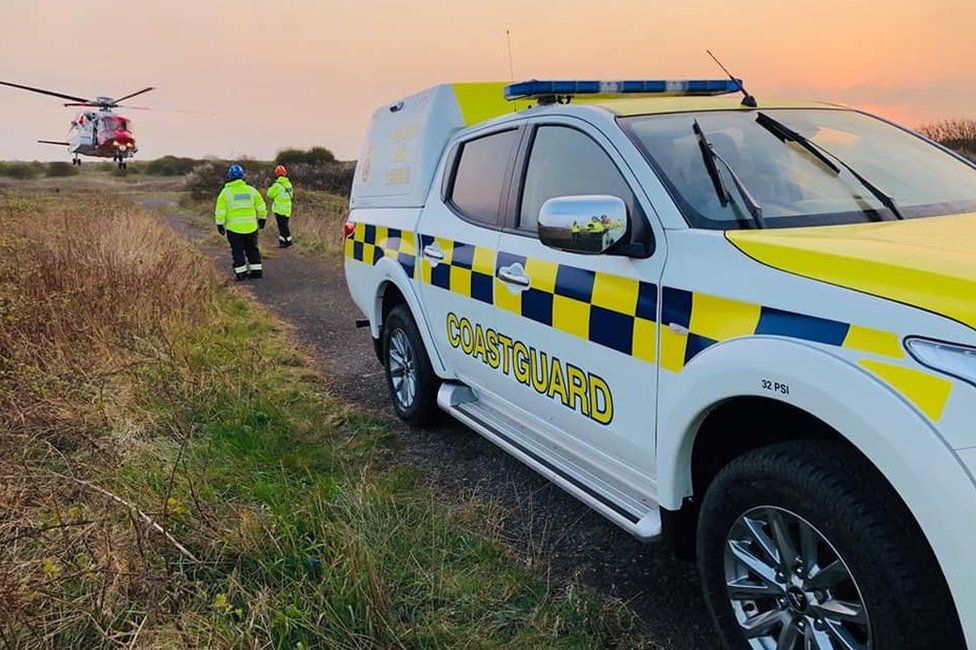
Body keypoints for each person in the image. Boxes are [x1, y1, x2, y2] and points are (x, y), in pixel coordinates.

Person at [214, 164, 268, 280]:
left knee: (237, 251)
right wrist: (262, 219)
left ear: (229, 176)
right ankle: (256, 271)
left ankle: (241, 273)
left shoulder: (225, 193)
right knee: (252, 249)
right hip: (251, 228)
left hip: (234, 229)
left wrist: (220, 224)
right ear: (242, 176)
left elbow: (220, 211)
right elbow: (261, 206)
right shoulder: (251, 190)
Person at [267, 165, 294, 247]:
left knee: (282, 227)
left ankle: (288, 241)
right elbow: (291, 195)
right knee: (284, 225)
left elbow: (269, 194)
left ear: (277, 174)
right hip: (288, 209)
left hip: (279, 209)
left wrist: (270, 186)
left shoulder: (277, 185)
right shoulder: (288, 184)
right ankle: (282, 242)